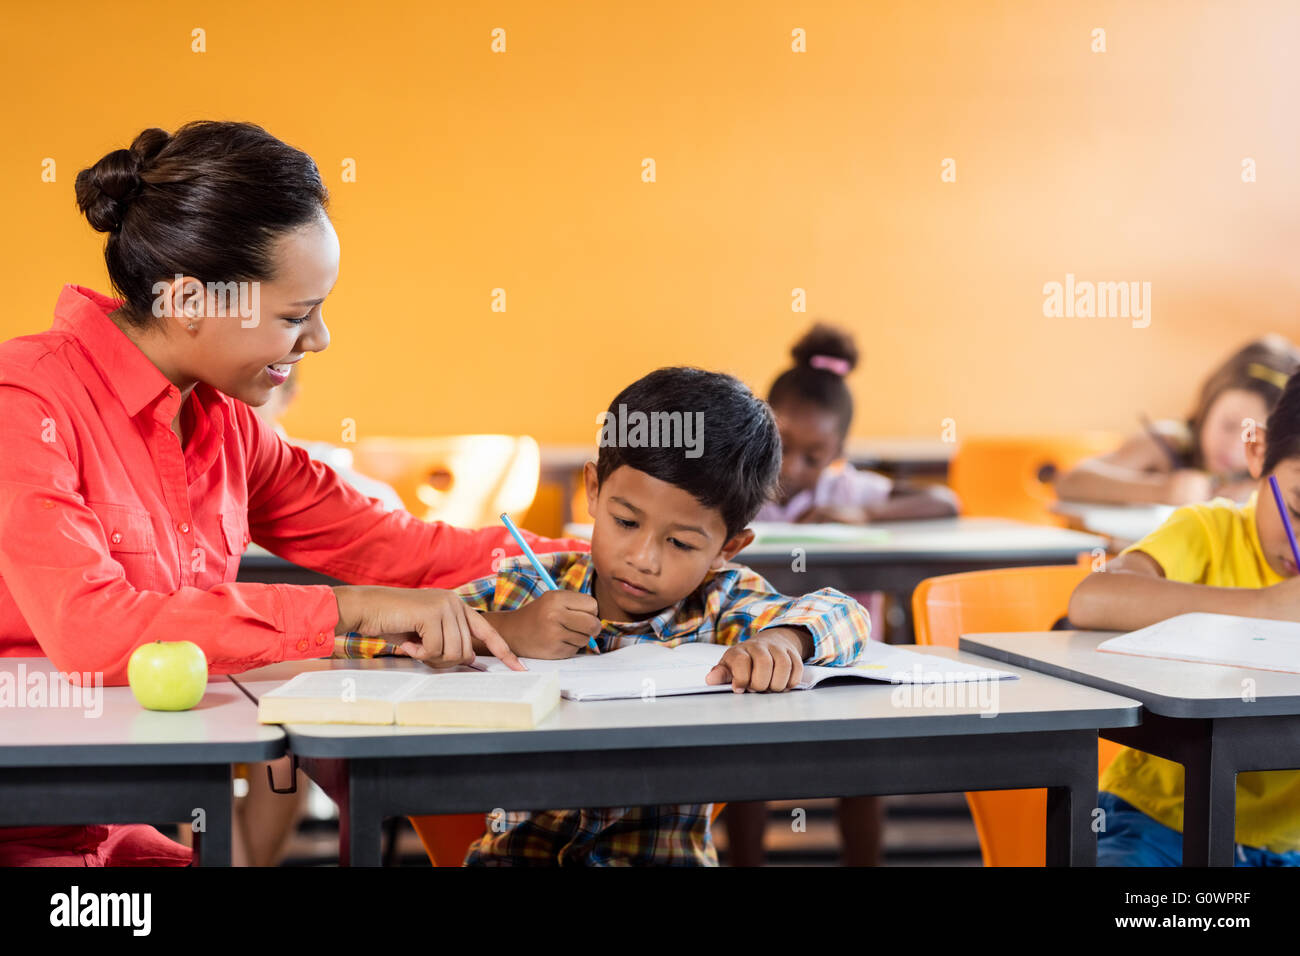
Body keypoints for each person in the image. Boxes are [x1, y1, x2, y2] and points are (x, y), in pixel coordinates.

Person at [0, 121, 582, 866]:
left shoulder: (224, 424)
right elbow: (94, 630)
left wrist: (604, 555)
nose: (319, 340)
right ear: (186, 301)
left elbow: (392, 548)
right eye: (294, 316)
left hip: (105, 831)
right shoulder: (28, 399)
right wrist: (354, 607)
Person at [348, 367, 873, 864]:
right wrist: (505, 631)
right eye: (625, 521)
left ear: (727, 548)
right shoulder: (528, 586)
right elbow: (360, 642)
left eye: (680, 542)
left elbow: (845, 615)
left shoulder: (721, 606)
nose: (642, 558)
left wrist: (785, 640)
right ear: (594, 491)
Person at [726, 323, 958, 867]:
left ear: (839, 452)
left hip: (850, 666)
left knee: (862, 773)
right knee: (745, 768)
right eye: (784, 447)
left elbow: (944, 500)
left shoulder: (846, 489)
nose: (794, 469)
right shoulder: (739, 482)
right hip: (752, 661)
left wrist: (863, 512)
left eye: (815, 455)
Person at [1068, 368, 1300, 865]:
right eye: (1298, 509)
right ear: (1257, 454)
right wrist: (1263, 609)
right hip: (1157, 817)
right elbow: (1093, 597)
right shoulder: (1209, 531)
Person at [1055, 336, 1300, 506]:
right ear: (1209, 403)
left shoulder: (1272, 474)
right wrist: (1160, 490)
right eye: (1227, 425)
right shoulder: (1171, 441)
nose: (1234, 448)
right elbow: (1069, 483)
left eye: (1252, 437)